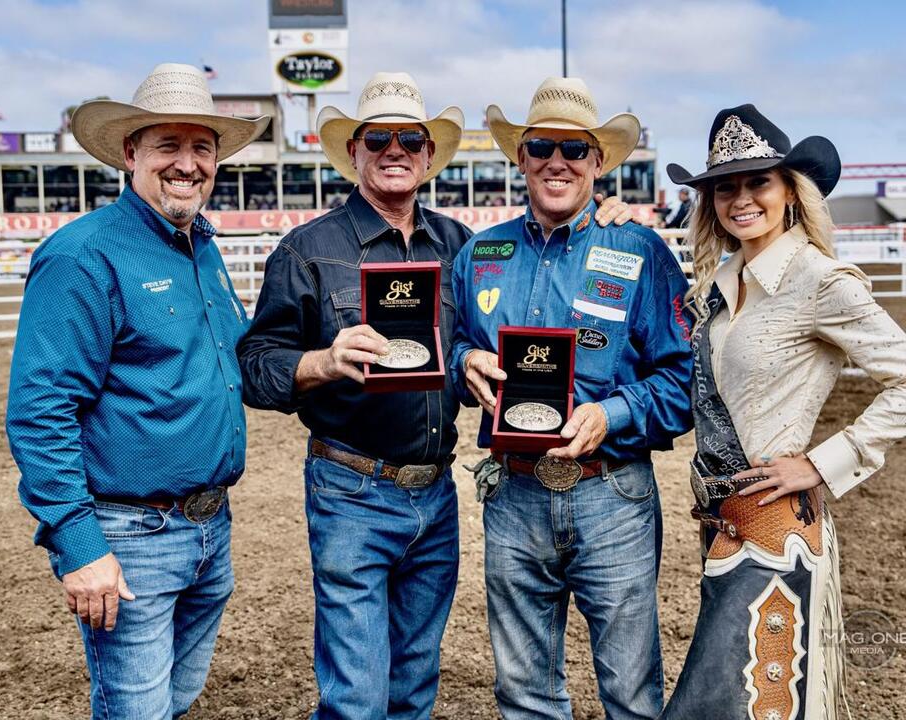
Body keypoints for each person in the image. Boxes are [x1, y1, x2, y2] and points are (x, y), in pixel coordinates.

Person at [236, 71, 629, 720]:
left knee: (414, 686)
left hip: (435, 491)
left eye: (410, 138)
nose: (395, 149)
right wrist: (324, 361)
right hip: (351, 489)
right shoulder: (307, 250)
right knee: (357, 697)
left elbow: (515, 309)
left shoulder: (464, 248)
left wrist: (603, 219)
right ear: (355, 152)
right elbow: (256, 367)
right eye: (379, 138)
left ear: (427, 154)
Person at [5, 63, 269, 719]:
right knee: (137, 709)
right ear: (131, 153)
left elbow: (233, 361)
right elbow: (42, 409)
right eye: (168, 146)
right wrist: (79, 543)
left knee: (174, 700)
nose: (188, 164)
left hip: (209, 527)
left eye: (201, 147)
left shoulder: (200, 246)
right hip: (131, 534)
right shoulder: (83, 255)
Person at [451, 77, 694, 720]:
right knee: (525, 694)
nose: (557, 161)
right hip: (514, 493)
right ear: (521, 156)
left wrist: (609, 413)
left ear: (599, 162)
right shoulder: (479, 254)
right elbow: (435, 349)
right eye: (541, 147)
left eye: (575, 149)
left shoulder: (641, 251)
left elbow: (682, 383)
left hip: (611, 491)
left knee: (632, 692)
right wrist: (460, 361)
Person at [661, 104, 906, 719]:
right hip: (724, 526)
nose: (740, 198)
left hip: (778, 530)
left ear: (791, 193)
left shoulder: (820, 280)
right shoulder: (722, 280)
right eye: (725, 187)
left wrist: (823, 463)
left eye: (758, 182)